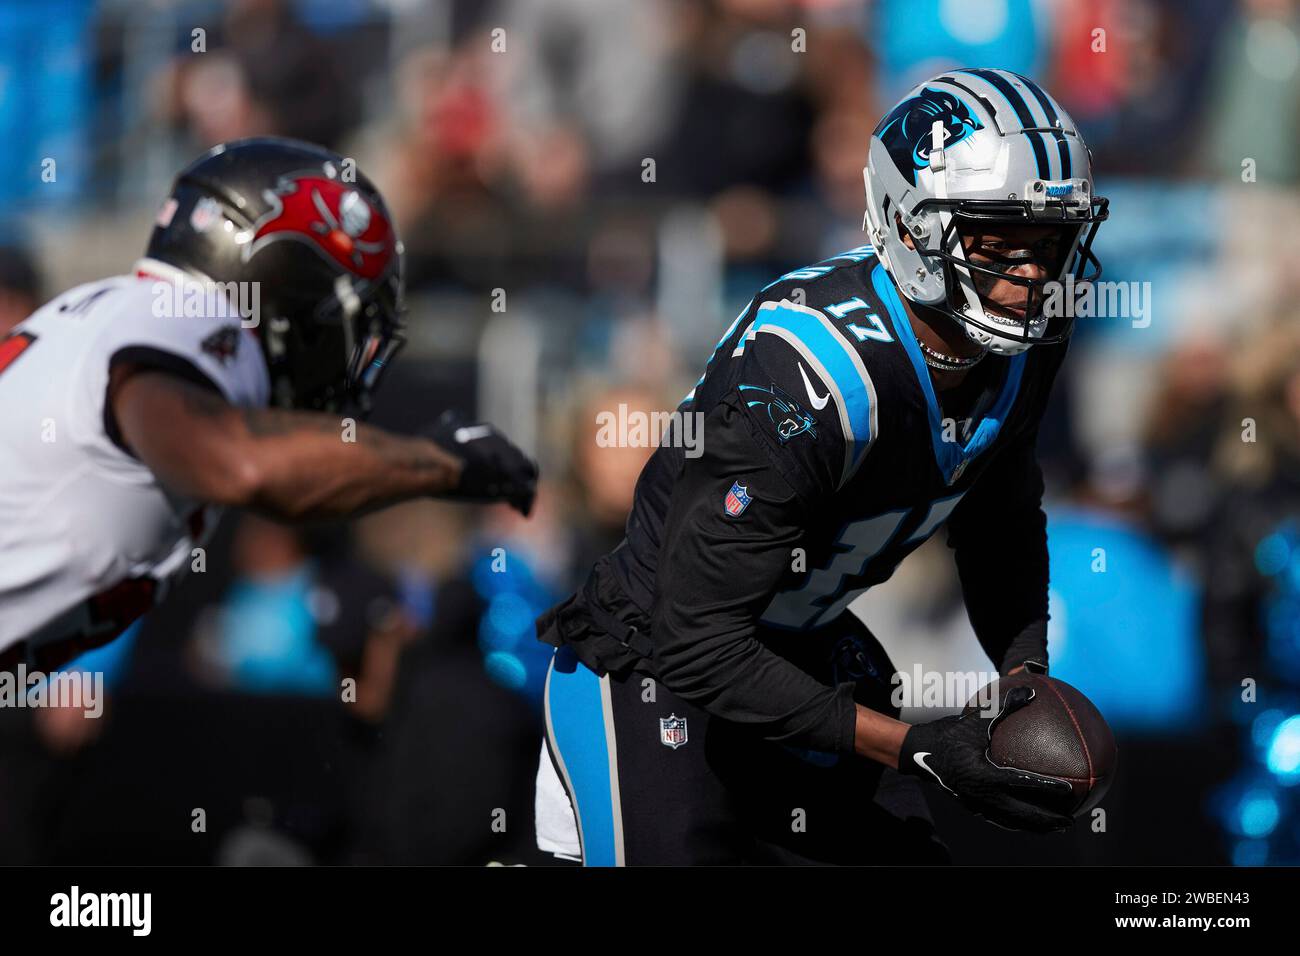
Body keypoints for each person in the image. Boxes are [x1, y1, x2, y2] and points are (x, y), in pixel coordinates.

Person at [533, 69, 1108, 864]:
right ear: (911, 229)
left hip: (803, 653)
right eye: (998, 240)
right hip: (658, 670)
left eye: (1047, 241)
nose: (1032, 274)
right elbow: (699, 641)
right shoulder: (808, 375)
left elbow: (999, 513)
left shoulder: (1023, 338)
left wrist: (1023, 671)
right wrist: (916, 747)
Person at [0, 137, 536, 670]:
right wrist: (442, 460)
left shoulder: (113, 316)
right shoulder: (185, 316)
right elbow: (243, 466)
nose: (340, 353)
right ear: (278, 274)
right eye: (338, 322)